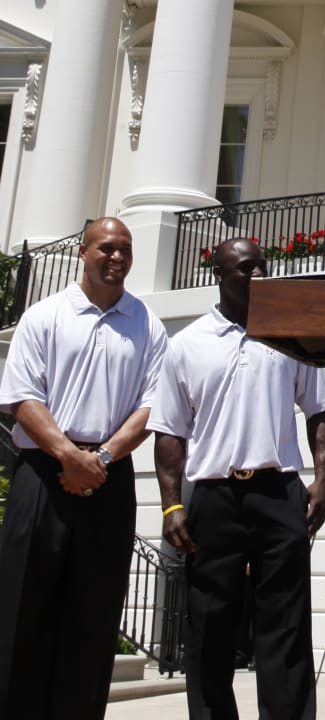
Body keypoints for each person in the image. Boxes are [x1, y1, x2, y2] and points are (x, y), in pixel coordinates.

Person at [148, 237, 325, 720]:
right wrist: (171, 505)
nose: (255, 277)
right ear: (219, 274)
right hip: (214, 496)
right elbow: (170, 434)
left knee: (286, 625)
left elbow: (319, 411)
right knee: (210, 625)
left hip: (279, 493)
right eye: (243, 270)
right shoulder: (186, 344)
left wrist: (323, 482)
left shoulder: (289, 334)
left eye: (261, 268)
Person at [0, 217, 167, 719]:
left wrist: (102, 458)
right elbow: (22, 397)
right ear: (83, 251)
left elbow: (154, 405)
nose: (117, 258)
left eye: (126, 251)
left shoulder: (148, 325)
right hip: (42, 474)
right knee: (22, 606)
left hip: (108, 477)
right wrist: (68, 456)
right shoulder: (44, 316)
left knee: (94, 614)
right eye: (107, 249)